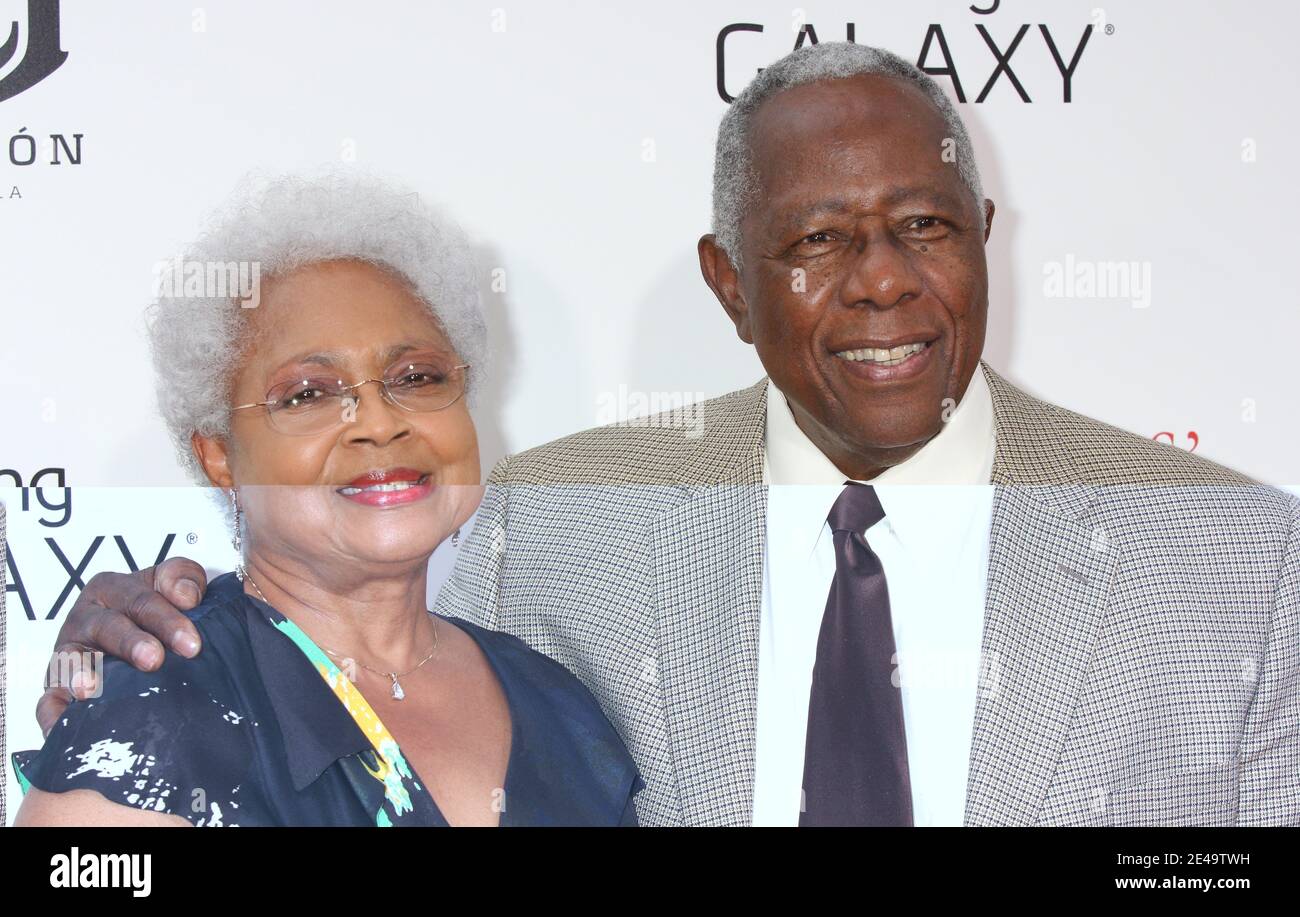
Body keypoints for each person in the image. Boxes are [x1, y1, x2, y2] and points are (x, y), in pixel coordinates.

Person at [41, 44, 1300, 826]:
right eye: (814, 241)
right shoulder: (559, 530)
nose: (882, 283)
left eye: (923, 225)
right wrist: (142, 650)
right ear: (727, 281)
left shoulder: (1241, 563)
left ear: (981, 228)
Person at [14, 174, 641, 826]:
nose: (377, 420)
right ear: (219, 453)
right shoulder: (155, 719)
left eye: (417, 377)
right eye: (309, 393)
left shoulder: (560, 706)